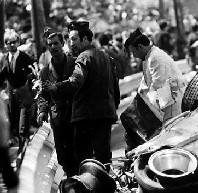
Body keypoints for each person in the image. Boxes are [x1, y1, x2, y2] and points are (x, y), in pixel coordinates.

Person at [42, 21, 120, 172]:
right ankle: (106, 190)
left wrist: (55, 86)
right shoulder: (106, 57)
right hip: (105, 114)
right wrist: (113, 107)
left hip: (86, 117)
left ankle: (89, 191)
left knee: (85, 160)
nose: (71, 44)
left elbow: (75, 82)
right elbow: (115, 88)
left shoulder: (83, 57)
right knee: (104, 158)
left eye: (74, 39)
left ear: (85, 39)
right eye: (70, 40)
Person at [121, 28, 186, 151]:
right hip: (166, 99)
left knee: (171, 133)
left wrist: (146, 101)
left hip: (171, 100)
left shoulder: (155, 58)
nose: (133, 56)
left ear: (140, 47)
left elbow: (158, 84)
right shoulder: (150, 57)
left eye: (133, 52)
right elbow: (146, 83)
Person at [37, 31, 77, 177]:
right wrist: (42, 111)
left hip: (77, 116)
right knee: (63, 157)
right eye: (50, 45)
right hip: (58, 119)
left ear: (63, 44)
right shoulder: (45, 72)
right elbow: (43, 96)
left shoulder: (75, 64)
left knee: (79, 153)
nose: (53, 47)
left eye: (56, 43)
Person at [0, 29, 36, 151]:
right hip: (12, 98)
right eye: (9, 42)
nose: (12, 44)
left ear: (18, 42)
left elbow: (35, 73)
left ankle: (23, 151)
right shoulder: (4, 59)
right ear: (6, 44)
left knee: (23, 126)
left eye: (14, 42)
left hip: (25, 97)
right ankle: (18, 148)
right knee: (14, 123)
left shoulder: (25, 57)